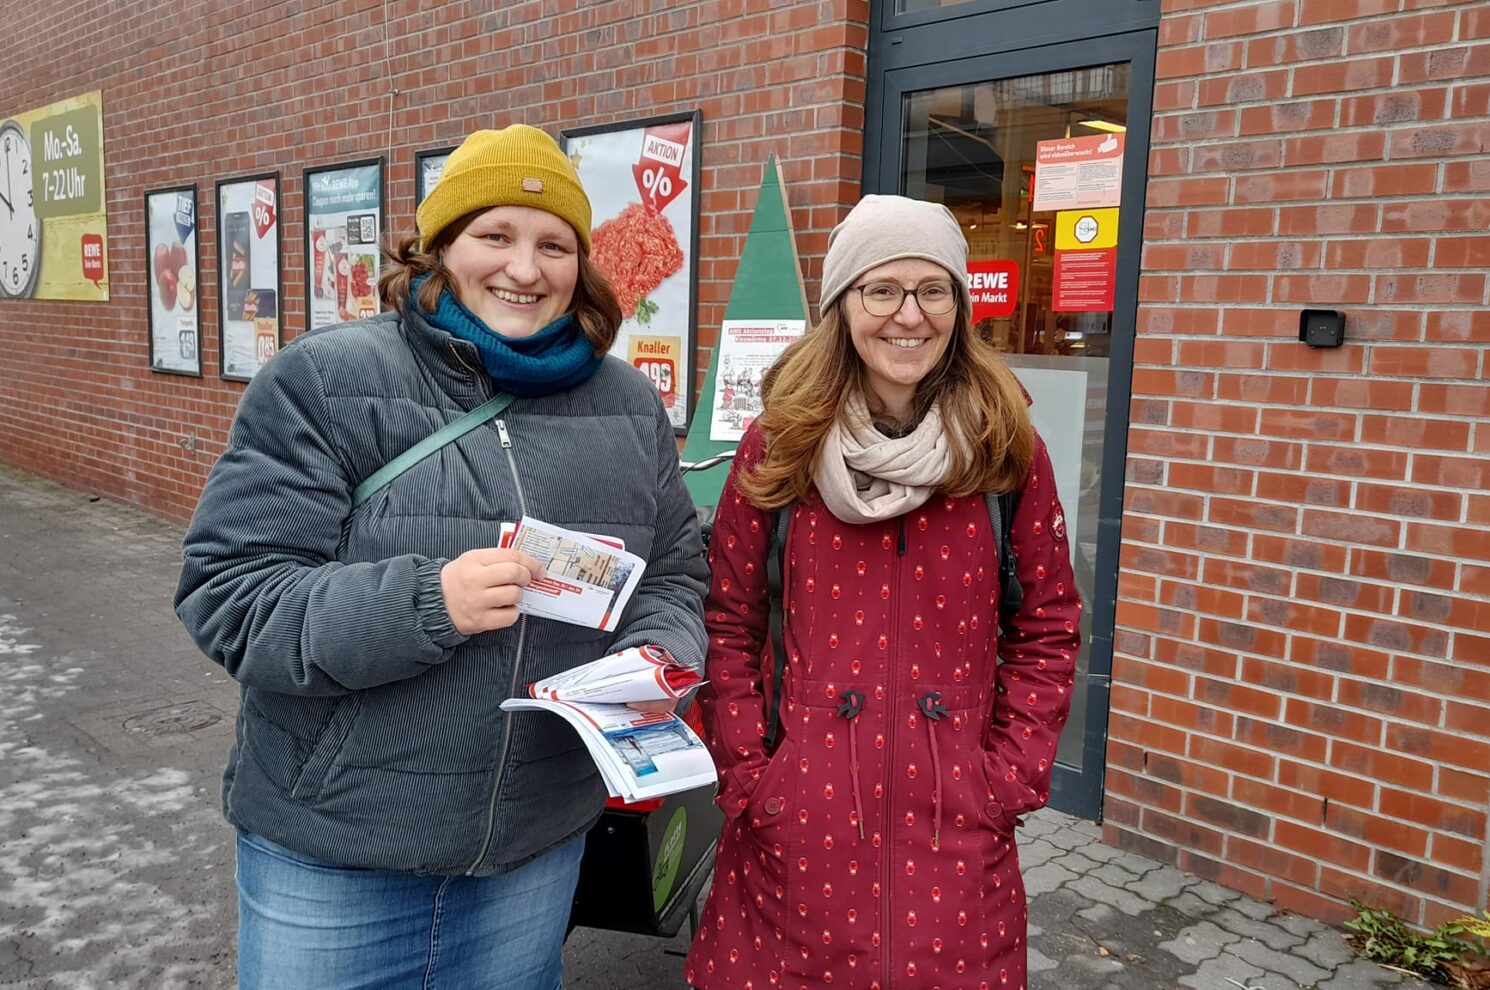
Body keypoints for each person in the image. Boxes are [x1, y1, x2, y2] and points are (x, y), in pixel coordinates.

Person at [175, 124, 707, 990]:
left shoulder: (626, 404)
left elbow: (676, 572)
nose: (525, 270)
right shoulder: (326, 381)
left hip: (530, 854)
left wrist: (659, 658)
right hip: (338, 855)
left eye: (554, 245)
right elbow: (230, 596)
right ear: (438, 247)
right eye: (493, 236)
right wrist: (429, 603)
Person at [684, 194, 1080, 990]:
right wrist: (751, 777)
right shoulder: (776, 445)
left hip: (958, 827)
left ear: (959, 306)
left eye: (933, 289)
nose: (910, 315)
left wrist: (1005, 777)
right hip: (798, 820)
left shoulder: (1006, 449)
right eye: (881, 289)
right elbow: (725, 619)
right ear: (843, 305)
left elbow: (1047, 623)